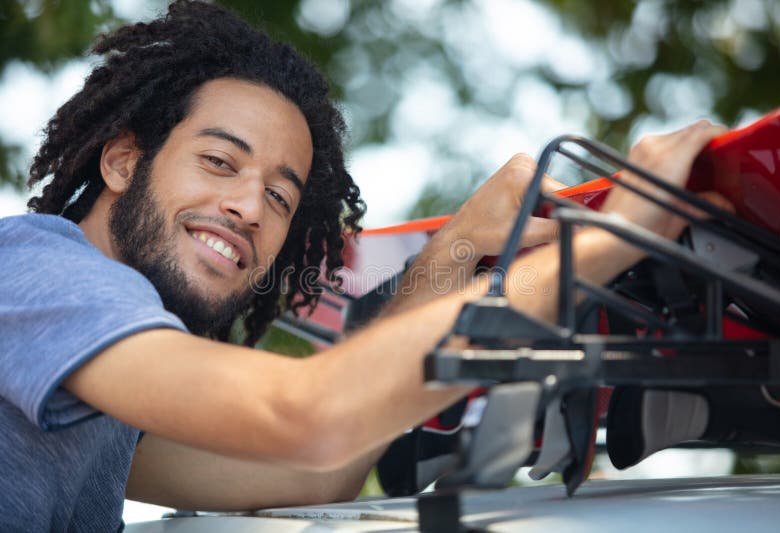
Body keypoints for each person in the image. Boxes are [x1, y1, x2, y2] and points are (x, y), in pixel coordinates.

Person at [0, 1, 730, 531]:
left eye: (280, 198)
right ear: (124, 160)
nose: (250, 207)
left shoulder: (101, 402)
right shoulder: (33, 271)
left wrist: (453, 251)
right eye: (220, 161)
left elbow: (316, 468)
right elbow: (307, 414)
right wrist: (612, 243)